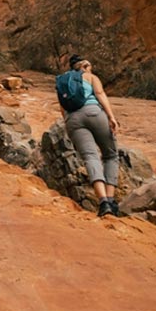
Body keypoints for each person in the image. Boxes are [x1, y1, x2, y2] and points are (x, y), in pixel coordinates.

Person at [64, 53, 120, 217]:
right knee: (110, 155)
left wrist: (69, 125)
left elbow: (63, 107)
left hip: (73, 119)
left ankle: (102, 203)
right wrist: (111, 117)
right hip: (94, 113)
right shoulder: (90, 77)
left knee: (90, 157)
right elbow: (100, 94)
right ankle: (110, 200)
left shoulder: (64, 81)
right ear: (85, 66)